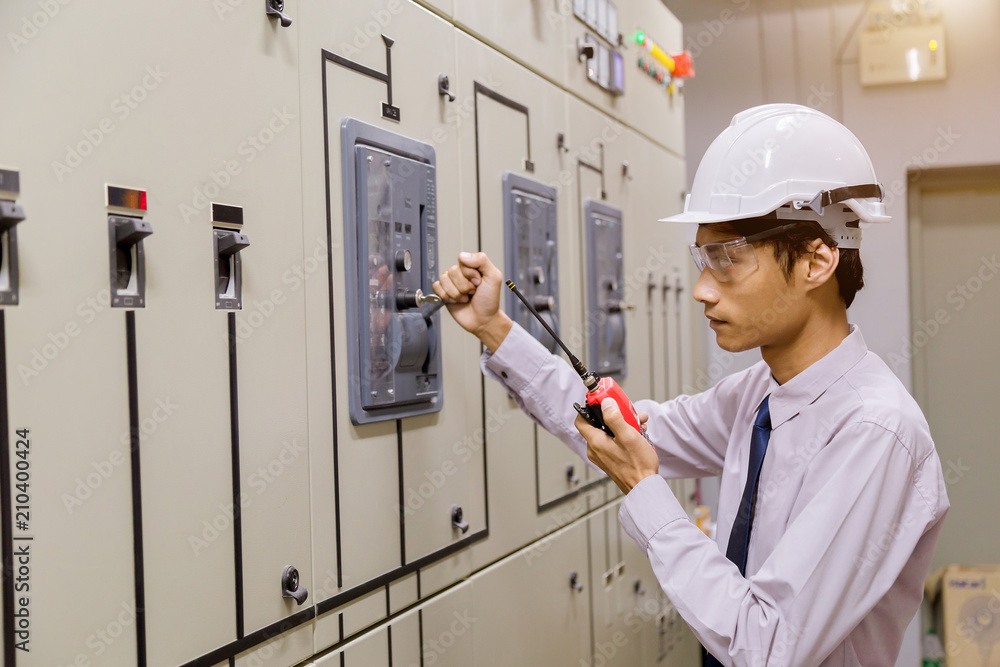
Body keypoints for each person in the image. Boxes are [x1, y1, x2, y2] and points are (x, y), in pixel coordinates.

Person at [431, 104, 948, 666]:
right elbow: (615, 428)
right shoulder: (759, 395)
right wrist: (495, 328)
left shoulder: (875, 431)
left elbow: (767, 648)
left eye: (727, 260)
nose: (702, 289)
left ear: (815, 261)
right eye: (702, 258)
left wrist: (645, 488)